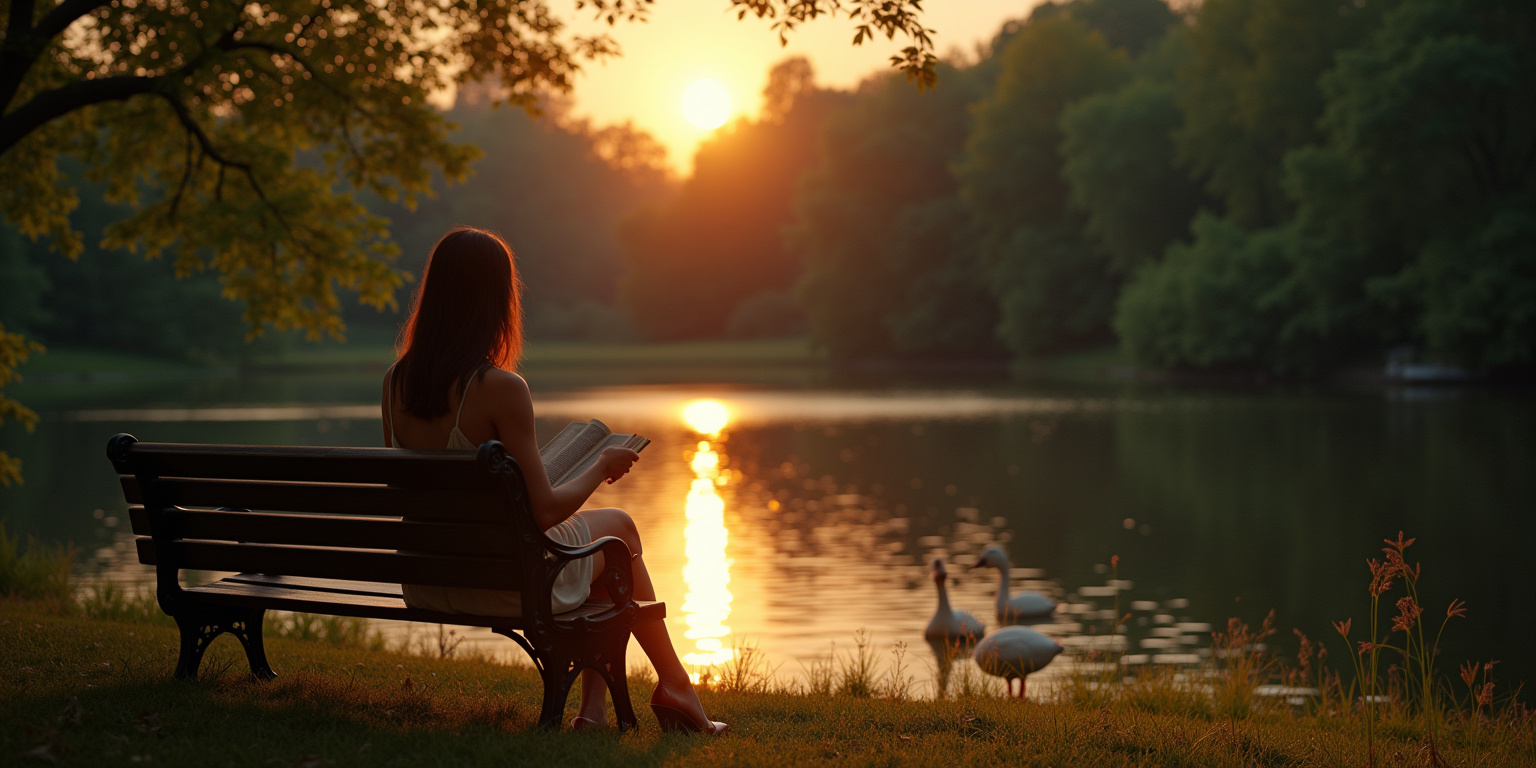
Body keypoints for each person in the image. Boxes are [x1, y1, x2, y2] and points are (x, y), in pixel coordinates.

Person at [379, 227, 726, 735]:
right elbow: (543, 512)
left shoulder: (395, 383)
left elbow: (403, 492)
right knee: (619, 533)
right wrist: (599, 468)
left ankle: (599, 712)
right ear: (496, 301)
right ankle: (669, 687)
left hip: (431, 581)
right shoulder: (500, 388)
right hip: (508, 585)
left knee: (601, 548)